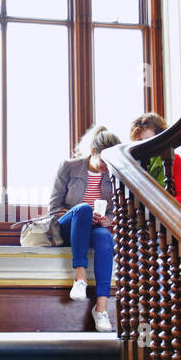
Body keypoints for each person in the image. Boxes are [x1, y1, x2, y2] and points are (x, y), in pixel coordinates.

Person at [48, 125, 121, 332]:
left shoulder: (113, 175)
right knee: (83, 210)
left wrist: (109, 219)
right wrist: (83, 214)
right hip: (69, 226)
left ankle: (101, 309)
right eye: (103, 162)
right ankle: (79, 278)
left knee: (105, 238)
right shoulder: (69, 167)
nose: (107, 167)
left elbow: (120, 211)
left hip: (94, 229)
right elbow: (53, 208)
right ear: (92, 152)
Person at [130, 112, 181, 208]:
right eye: (140, 141)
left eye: (149, 140)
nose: (145, 146)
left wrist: (160, 206)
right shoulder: (133, 163)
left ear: (160, 139)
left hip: (166, 215)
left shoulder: (173, 158)